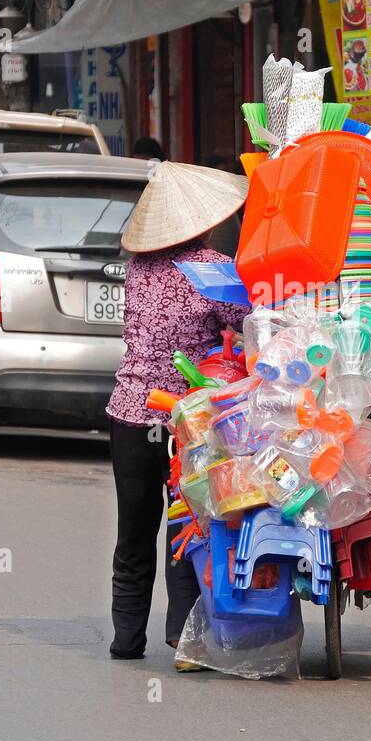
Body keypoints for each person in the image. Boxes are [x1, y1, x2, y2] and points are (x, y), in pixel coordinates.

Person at [106, 160, 250, 666]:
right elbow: (247, 323)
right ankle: (181, 638)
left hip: (127, 415)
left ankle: (125, 640)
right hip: (185, 423)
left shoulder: (136, 271)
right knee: (185, 524)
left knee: (133, 530)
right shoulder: (213, 268)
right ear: (202, 221)